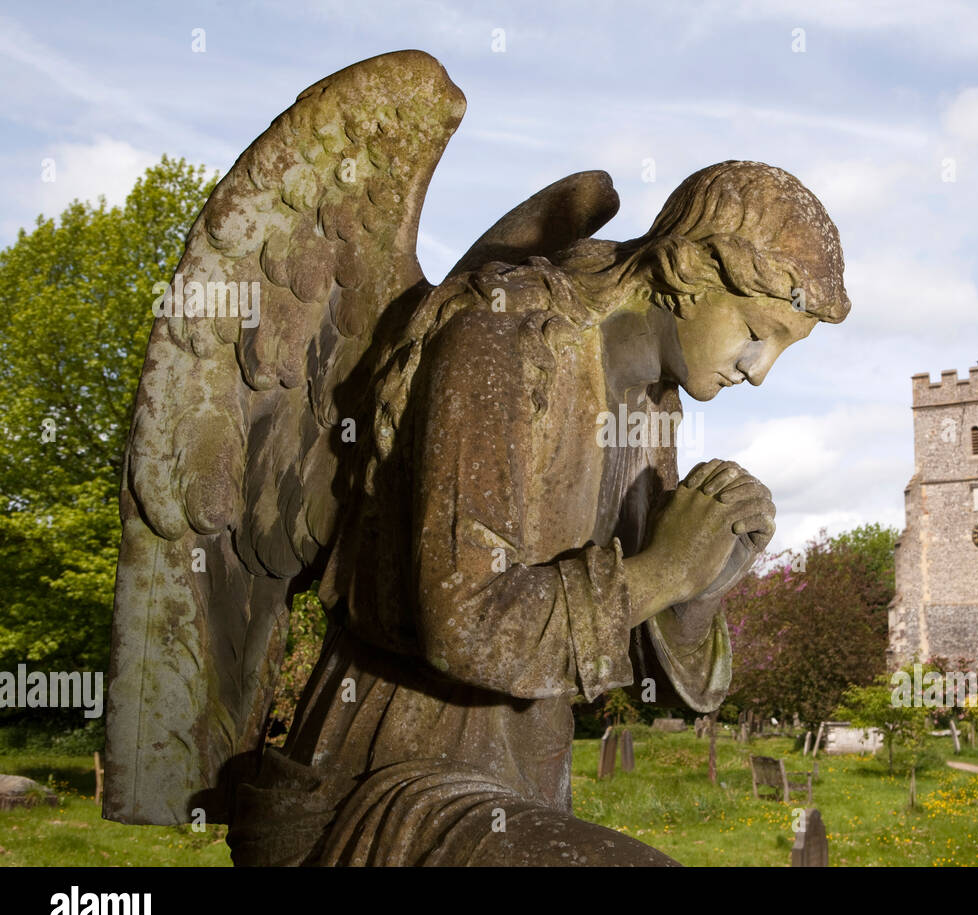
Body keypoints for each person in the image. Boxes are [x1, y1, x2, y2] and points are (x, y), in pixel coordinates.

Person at [226, 160, 850, 865]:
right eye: (757, 332)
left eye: (783, 350)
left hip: (524, 778)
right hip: (393, 770)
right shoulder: (499, 340)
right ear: (686, 269)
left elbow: (657, 671)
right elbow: (463, 623)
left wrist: (704, 580)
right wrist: (668, 569)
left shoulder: (650, 405)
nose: (759, 370)